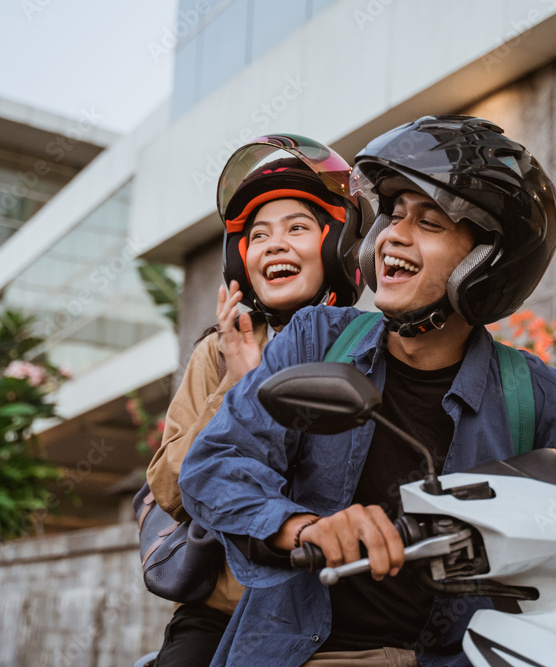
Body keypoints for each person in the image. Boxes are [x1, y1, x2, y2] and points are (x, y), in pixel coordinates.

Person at [178, 115, 556, 667]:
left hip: (462, 655)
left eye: (430, 223)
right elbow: (217, 462)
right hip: (309, 652)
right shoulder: (317, 341)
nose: (393, 234)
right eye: (394, 216)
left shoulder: (533, 394)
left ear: (487, 260)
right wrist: (305, 526)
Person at [145, 134, 367, 666]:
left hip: (333, 608)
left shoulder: (369, 346)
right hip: (222, 608)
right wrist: (238, 381)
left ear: (336, 244)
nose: (275, 244)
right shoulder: (215, 354)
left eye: (297, 228)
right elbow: (172, 490)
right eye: (260, 234)